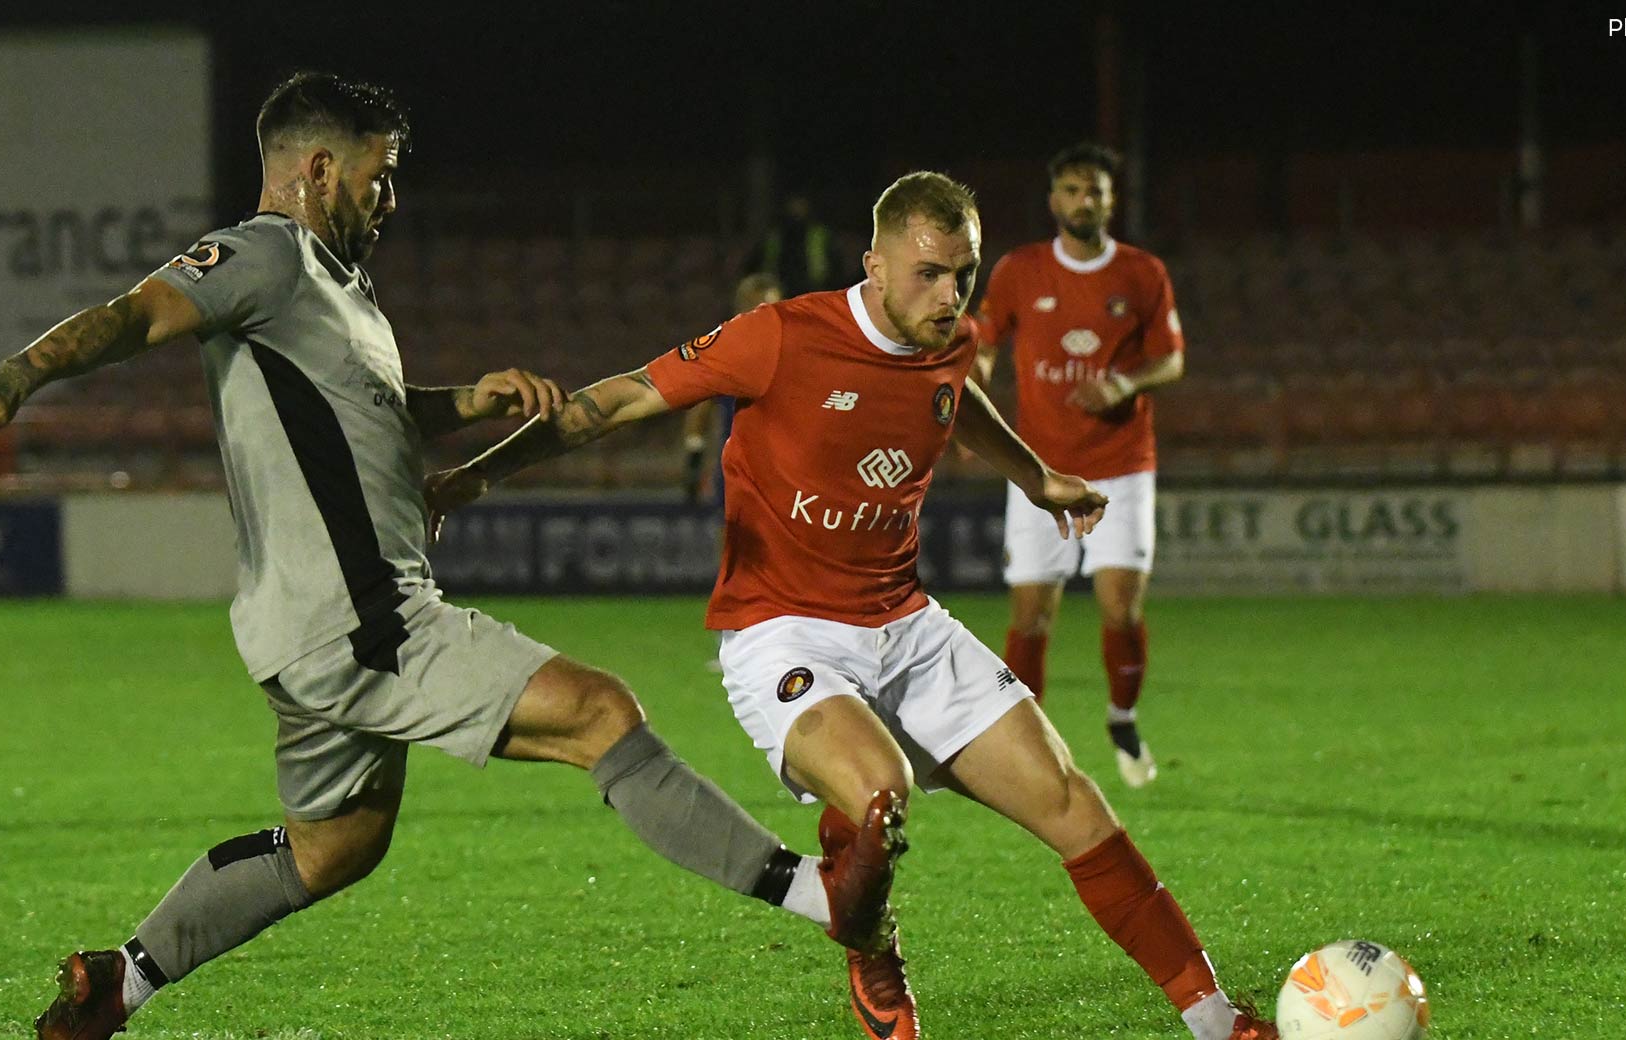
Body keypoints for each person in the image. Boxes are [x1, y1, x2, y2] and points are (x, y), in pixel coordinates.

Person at [0, 73, 863, 1040]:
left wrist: (464, 404)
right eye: (380, 178)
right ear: (320, 169)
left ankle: (116, 984)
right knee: (601, 713)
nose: (391, 200)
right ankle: (824, 898)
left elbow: (366, 410)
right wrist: (19, 374)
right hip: (361, 619)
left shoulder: (342, 294)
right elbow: (137, 314)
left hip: (312, 630)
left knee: (333, 848)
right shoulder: (266, 255)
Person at [427, 172, 1276, 1040]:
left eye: (965, 274)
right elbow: (615, 401)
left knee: (1075, 804)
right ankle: (871, 945)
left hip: (907, 625)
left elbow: (955, 399)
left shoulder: (950, 338)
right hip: (783, 631)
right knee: (880, 792)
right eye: (929, 273)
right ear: (873, 265)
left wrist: (1034, 475)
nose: (950, 296)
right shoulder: (781, 337)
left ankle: (1217, 1022)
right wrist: (472, 477)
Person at [971, 142, 1188, 788]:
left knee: (1120, 607)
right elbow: (983, 340)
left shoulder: (1143, 273)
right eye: (1071, 190)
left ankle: (1122, 716)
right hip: (1038, 472)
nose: (1083, 200)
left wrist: (1122, 386)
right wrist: (973, 383)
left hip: (1121, 466)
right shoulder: (1019, 270)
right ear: (1053, 200)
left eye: (1094, 190)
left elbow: (1171, 358)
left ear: (1110, 199)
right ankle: (1028, 743)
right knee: (1030, 615)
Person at [680, 272, 782, 506]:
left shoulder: (792, 353)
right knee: (731, 538)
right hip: (737, 475)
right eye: (761, 308)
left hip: (783, 474)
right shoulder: (725, 353)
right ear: (742, 310)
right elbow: (701, 408)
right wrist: (694, 458)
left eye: (775, 308)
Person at [747, 194, 847, 295]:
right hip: (781, 289)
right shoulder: (777, 235)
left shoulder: (819, 233)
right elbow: (764, 262)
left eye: (800, 204)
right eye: (794, 204)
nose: (797, 209)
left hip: (814, 288)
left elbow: (834, 263)